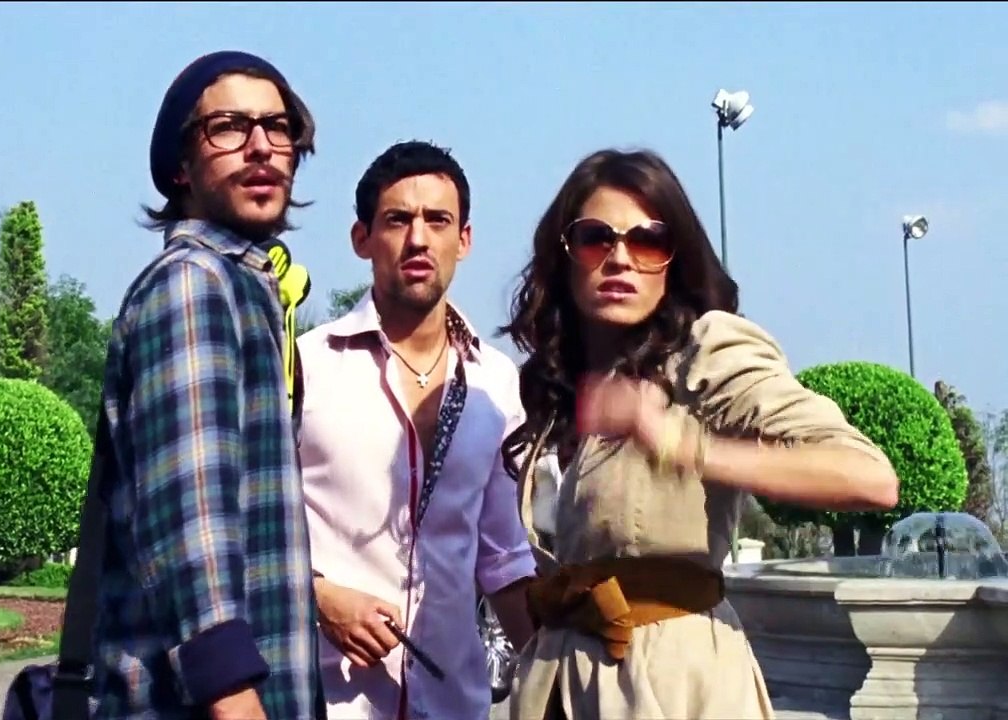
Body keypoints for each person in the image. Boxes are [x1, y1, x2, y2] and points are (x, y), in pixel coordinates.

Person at [499, 148, 900, 719]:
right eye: (595, 238)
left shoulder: (705, 349)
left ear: (676, 258)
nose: (620, 258)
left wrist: (680, 444)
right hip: (561, 687)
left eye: (648, 241)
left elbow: (871, 478)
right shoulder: (563, 388)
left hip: (671, 686)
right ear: (563, 256)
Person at [91, 50, 324, 720]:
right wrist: (234, 698)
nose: (261, 147)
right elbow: (192, 530)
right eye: (228, 127)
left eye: (278, 128)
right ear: (179, 167)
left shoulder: (247, 286)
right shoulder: (194, 285)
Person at [297, 140, 538, 720]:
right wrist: (317, 598)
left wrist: (561, 676)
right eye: (398, 220)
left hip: (454, 702)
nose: (419, 239)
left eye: (438, 220)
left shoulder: (495, 382)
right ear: (362, 239)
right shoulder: (306, 367)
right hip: (328, 699)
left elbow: (504, 558)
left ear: (465, 239)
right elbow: (248, 533)